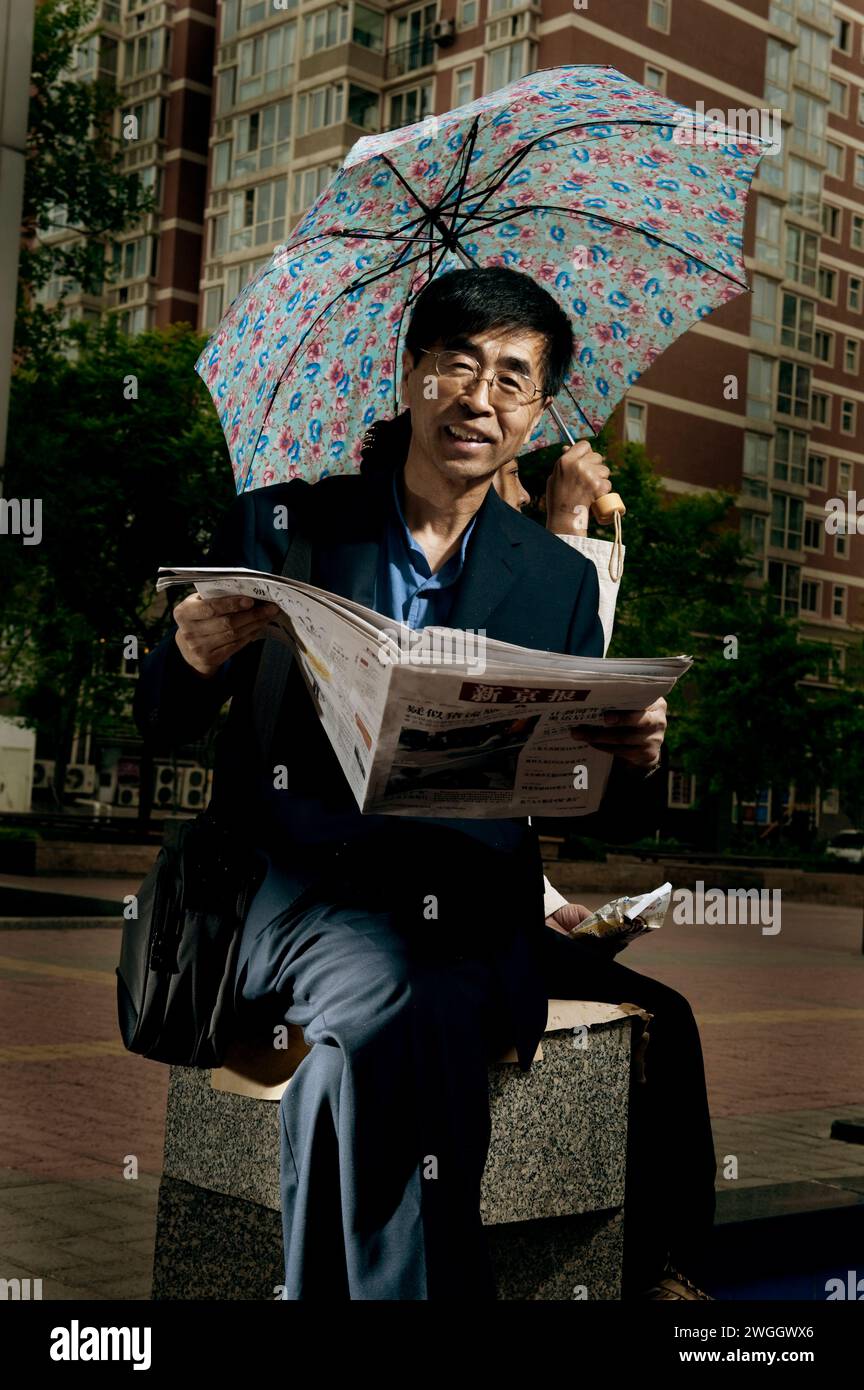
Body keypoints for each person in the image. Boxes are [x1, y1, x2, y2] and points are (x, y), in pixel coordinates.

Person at [133, 265, 711, 1301]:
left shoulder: (558, 578)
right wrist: (187, 655)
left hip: (472, 915)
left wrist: (639, 757)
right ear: (410, 376)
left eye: (513, 378)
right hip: (290, 896)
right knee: (395, 993)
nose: (479, 397)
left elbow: (594, 801)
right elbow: (160, 722)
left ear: (536, 411)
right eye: (456, 364)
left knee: (368, 1045)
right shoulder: (286, 529)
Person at [494, 452, 717, 1300]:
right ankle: (664, 1267)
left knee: (665, 1014)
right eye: (515, 480)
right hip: (402, 921)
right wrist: (562, 526)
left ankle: (666, 1267)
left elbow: (529, 770)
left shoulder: (511, 553)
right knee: (663, 1017)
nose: (517, 489)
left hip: (502, 904)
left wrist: (550, 904)